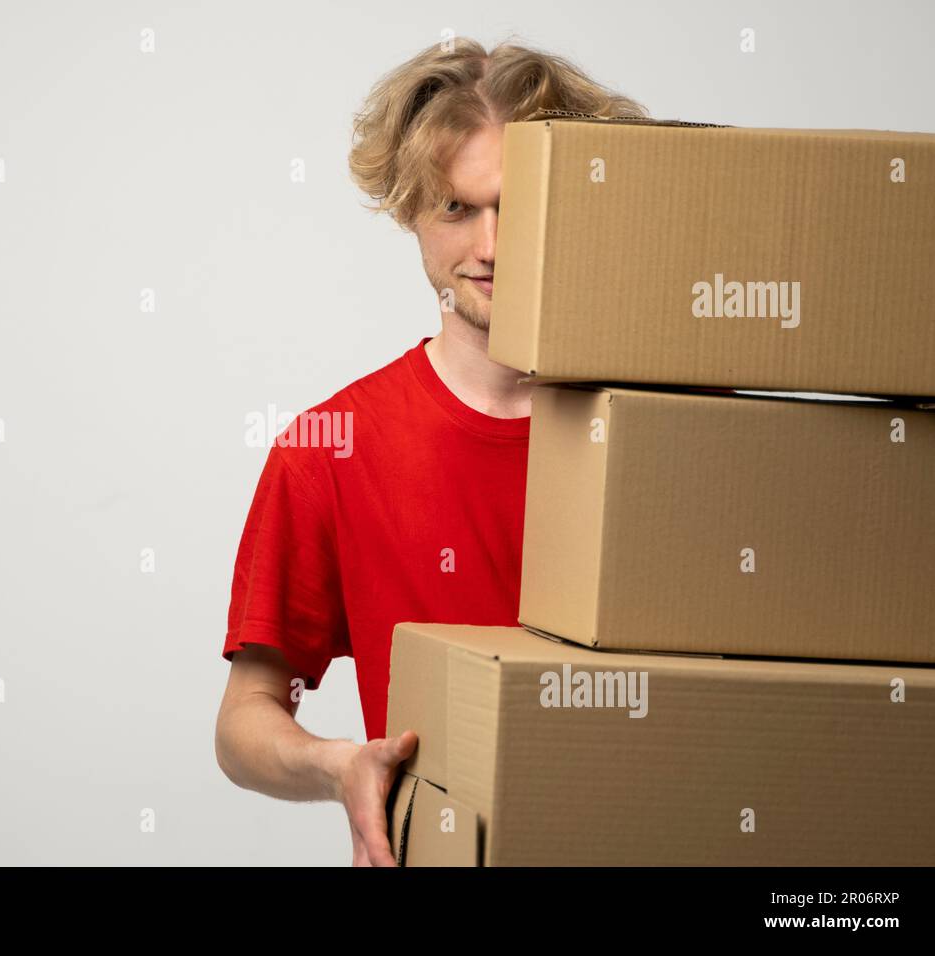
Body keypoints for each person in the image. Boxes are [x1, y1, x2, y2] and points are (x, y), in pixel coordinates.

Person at [214, 38, 646, 866]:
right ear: (411, 210)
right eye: (457, 208)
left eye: (519, 207)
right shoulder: (328, 450)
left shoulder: (668, 431)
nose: (490, 246)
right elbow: (246, 718)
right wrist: (338, 763)